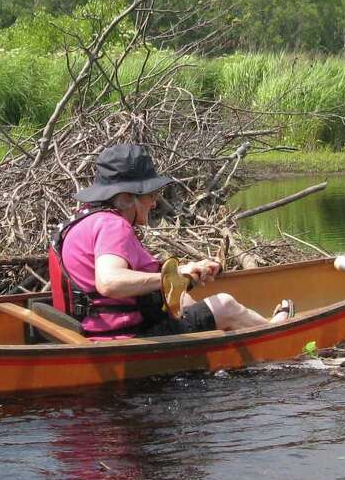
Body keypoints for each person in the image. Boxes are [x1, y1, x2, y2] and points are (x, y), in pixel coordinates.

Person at [52, 142, 294, 338]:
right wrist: (172, 277)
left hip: (95, 330)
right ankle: (277, 333)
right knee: (225, 304)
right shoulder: (113, 225)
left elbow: (147, 286)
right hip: (124, 337)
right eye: (151, 195)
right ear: (126, 198)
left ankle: (258, 327)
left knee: (188, 301)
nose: (155, 202)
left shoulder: (85, 221)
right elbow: (109, 282)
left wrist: (187, 273)